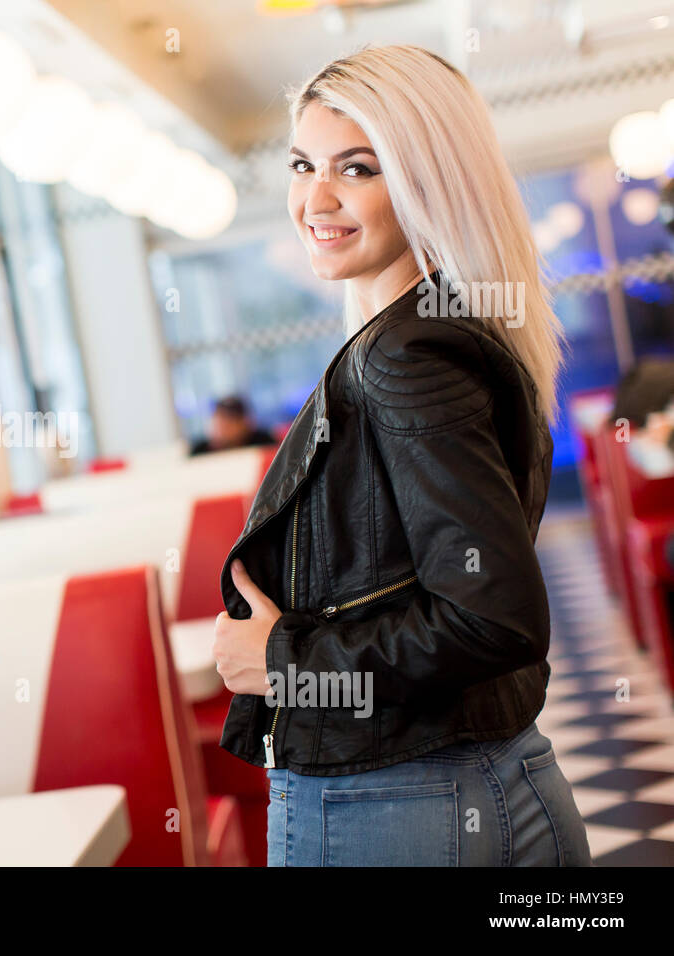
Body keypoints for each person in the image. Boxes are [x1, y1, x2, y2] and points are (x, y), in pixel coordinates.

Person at [210, 44, 593, 866]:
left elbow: (492, 615)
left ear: (426, 180)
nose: (315, 198)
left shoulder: (406, 357)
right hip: (485, 781)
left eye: (358, 168)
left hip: (397, 805)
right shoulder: (439, 333)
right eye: (304, 164)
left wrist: (287, 666)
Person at [188, 396, 275, 456]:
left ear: (244, 422)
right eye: (220, 420)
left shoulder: (264, 443)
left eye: (230, 420)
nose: (223, 427)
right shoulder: (200, 451)